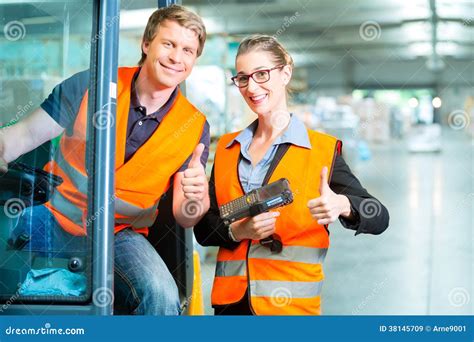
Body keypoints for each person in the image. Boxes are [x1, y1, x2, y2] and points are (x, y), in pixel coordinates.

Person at [0, 5, 210, 315]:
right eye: (169, 44)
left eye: (188, 50)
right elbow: (24, 136)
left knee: (161, 295)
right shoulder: (92, 84)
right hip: (52, 216)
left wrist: (198, 199)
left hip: (119, 234)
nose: (177, 57)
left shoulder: (194, 126)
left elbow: (185, 215)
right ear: (147, 44)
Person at [194, 35, 390, 315]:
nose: (252, 87)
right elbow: (204, 229)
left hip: (291, 309)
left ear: (285, 73)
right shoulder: (227, 149)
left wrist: (344, 205)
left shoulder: (321, 150)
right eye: (242, 78)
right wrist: (238, 231)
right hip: (231, 307)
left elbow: (380, 217)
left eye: (262, 74)